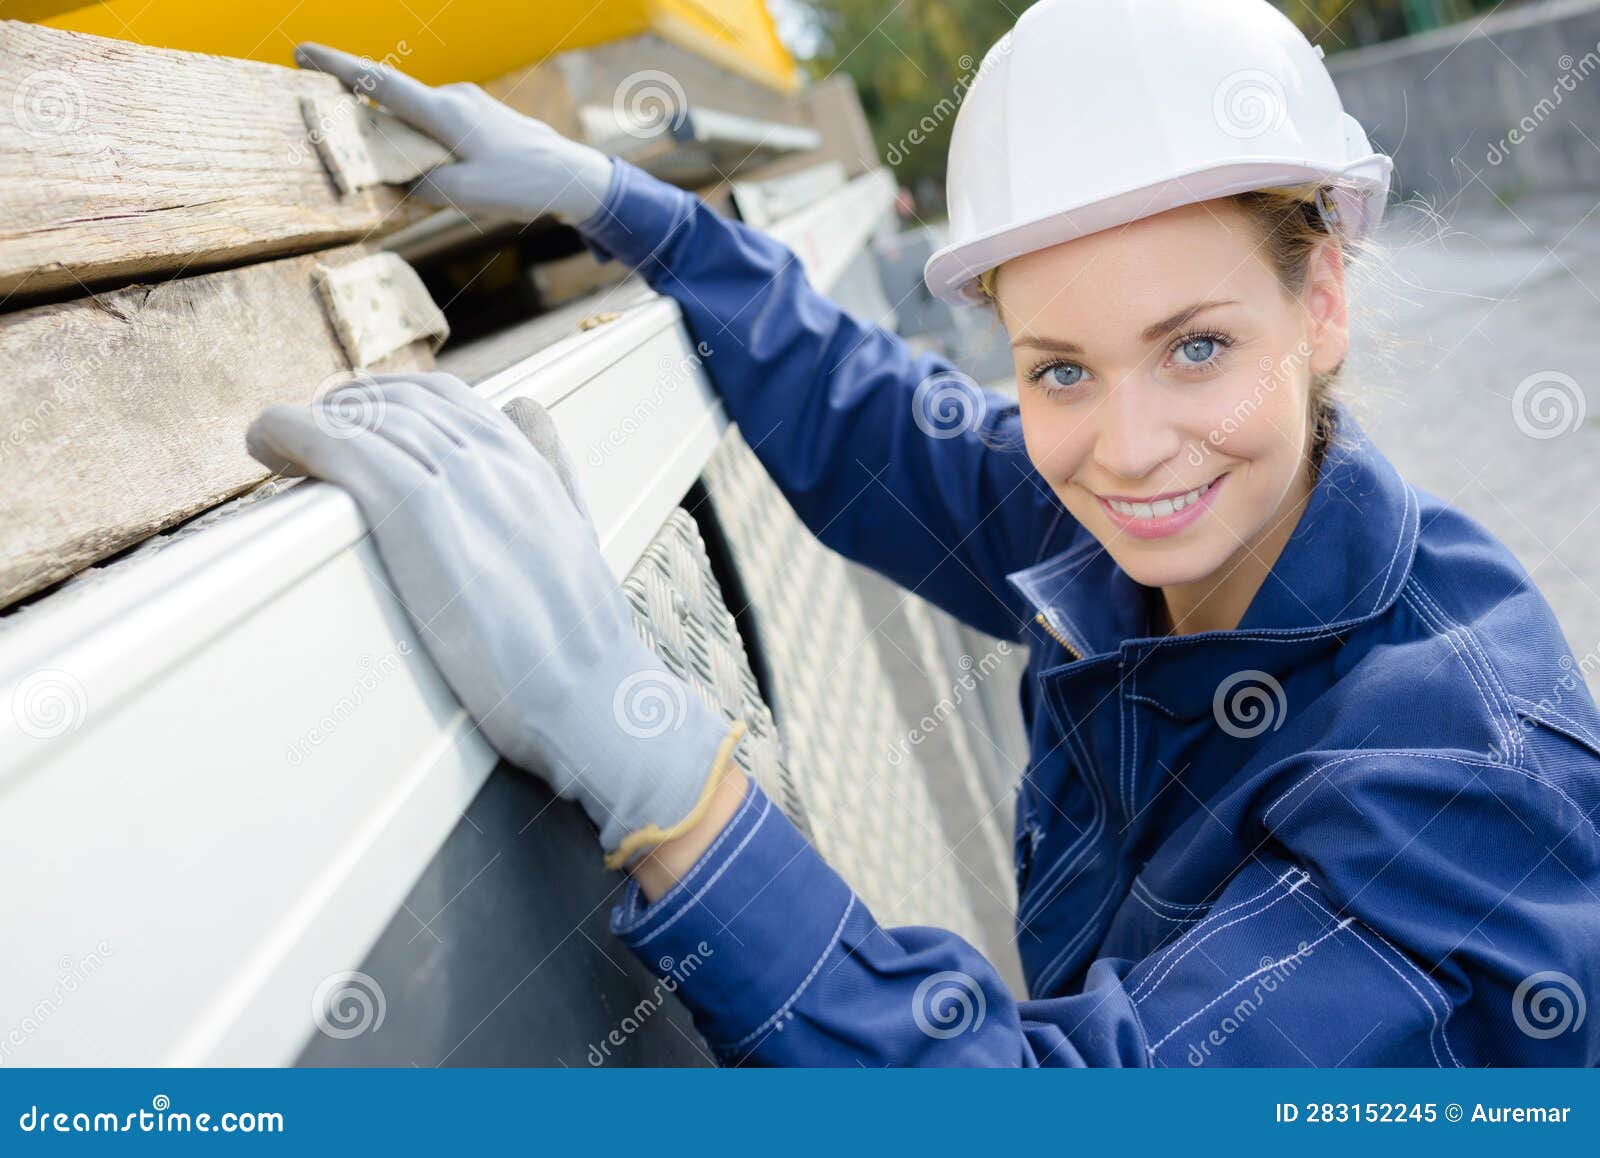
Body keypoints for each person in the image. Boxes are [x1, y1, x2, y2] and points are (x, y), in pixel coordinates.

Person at [248, 0, 1600, 1066]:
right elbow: (882, 422)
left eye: (1195, 345)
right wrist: (623, 203)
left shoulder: (1466, 789)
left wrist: (672, 789)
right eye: (1059, 366)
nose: (1125, 448)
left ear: (1322, 306)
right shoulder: (1177, 529)